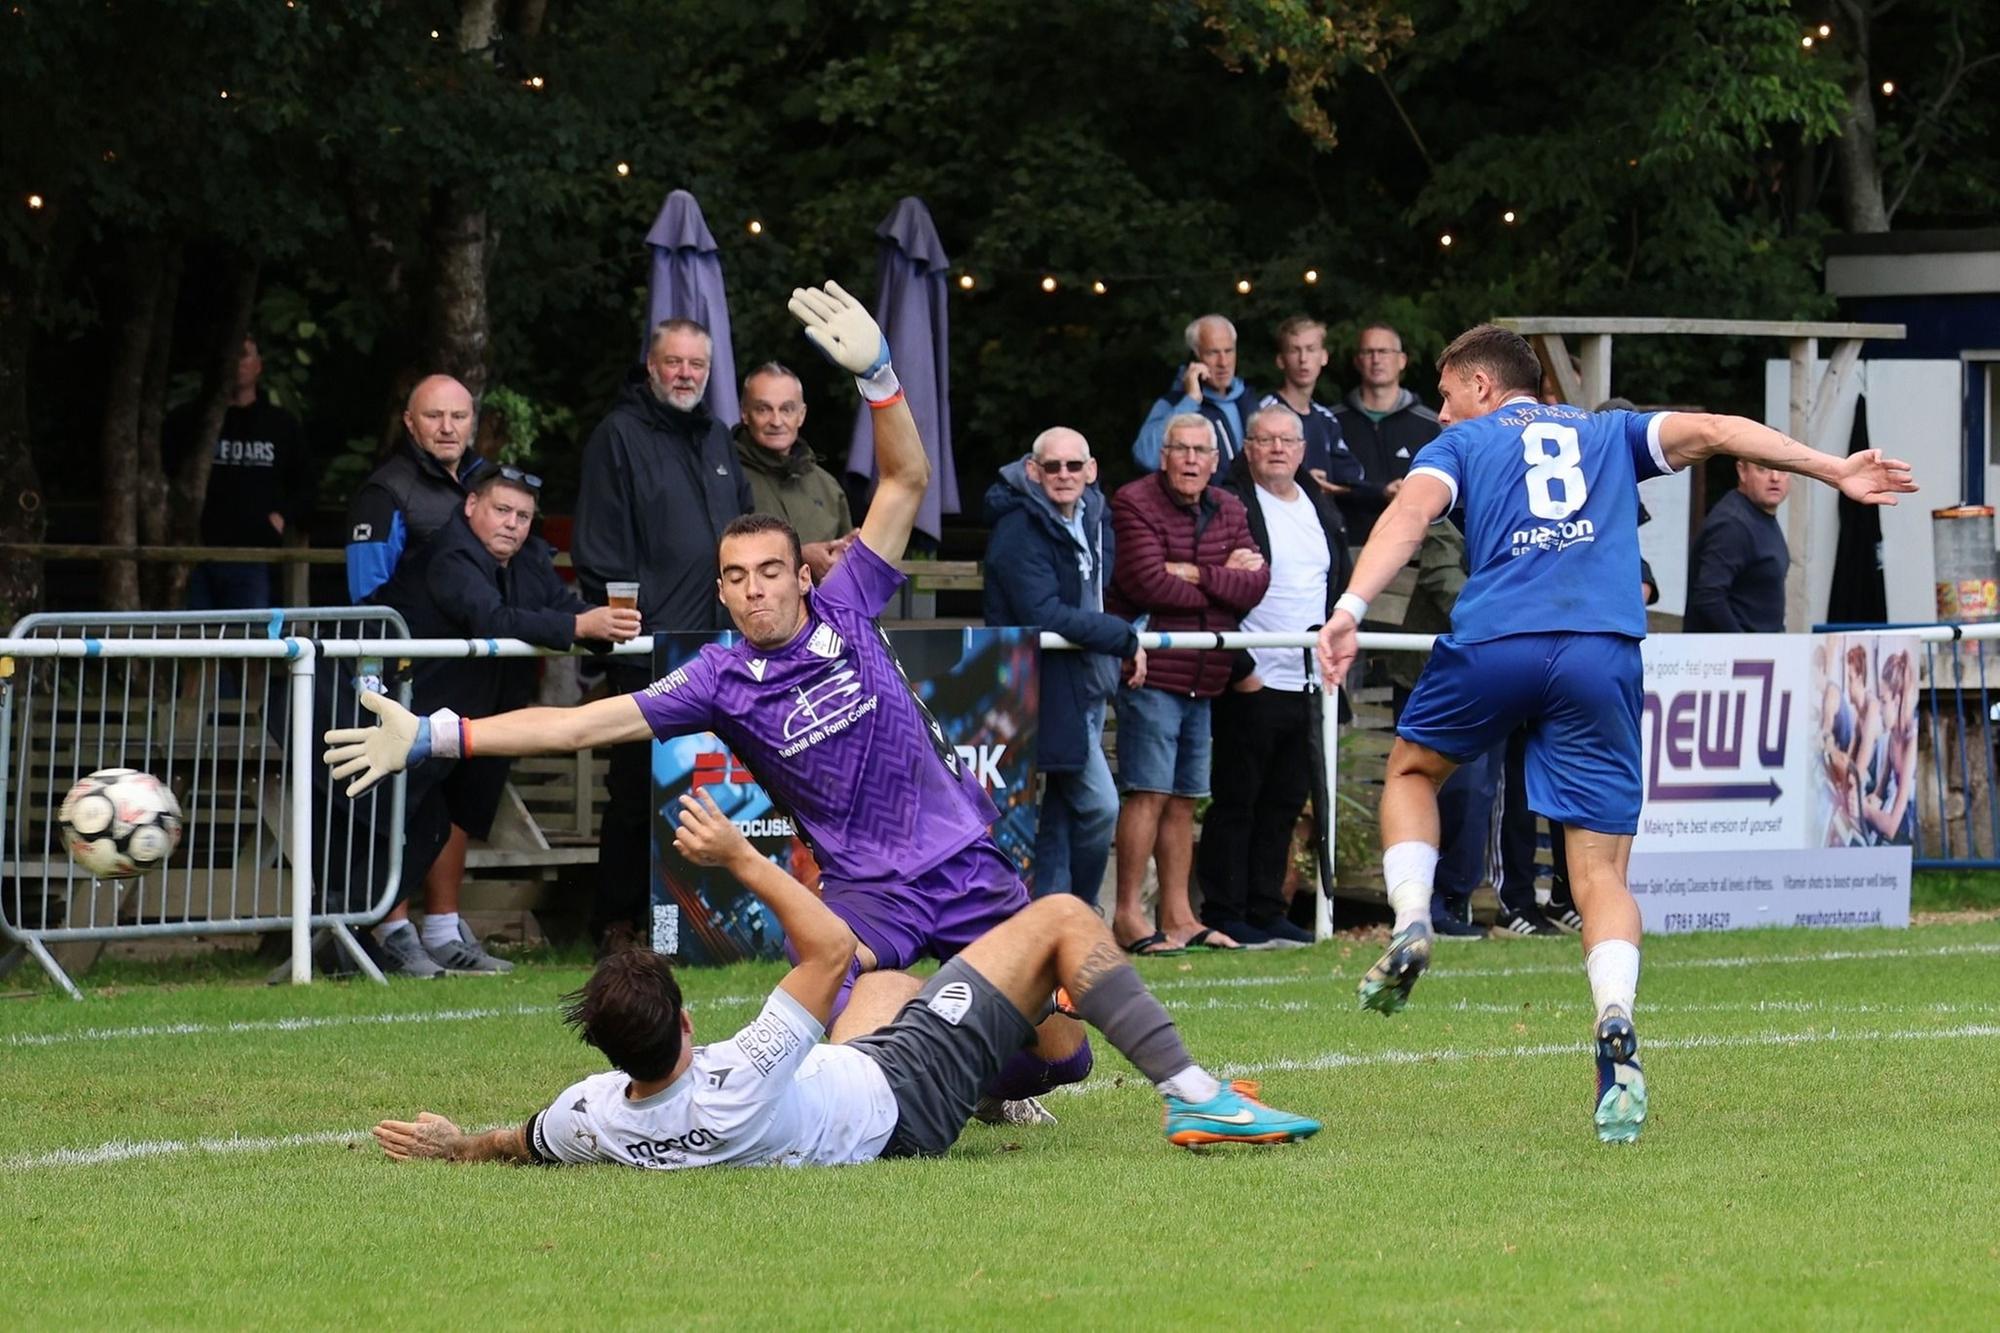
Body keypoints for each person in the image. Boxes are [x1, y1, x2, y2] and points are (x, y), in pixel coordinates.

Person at [329, 281, 1092, 1128]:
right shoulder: (716, 679)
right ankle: (893, 1071)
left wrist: (880, 375)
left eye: (770, 571)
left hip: (964, 860)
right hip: (868, 891)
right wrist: (436, 731)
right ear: (722, 595)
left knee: (1066, 1059)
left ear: (803, 575)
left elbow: (908, 476)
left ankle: (985, 1077)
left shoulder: (847, 603)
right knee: (841, 1038)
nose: (754, 589)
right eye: (735, 578)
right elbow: (579, 723)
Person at [1315, 322, 1915, 1144]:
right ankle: (1615, 1015)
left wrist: (1349, 610)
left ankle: (1414, 918)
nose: (1444, 414)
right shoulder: (1608, 431)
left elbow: (1407, 520)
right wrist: (1830, 467)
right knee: (1599, 868)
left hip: (1497, 639)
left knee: (1415, 774)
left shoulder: (1460, 447)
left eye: (1449, 395)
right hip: (1600, 650)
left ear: (1484, 388)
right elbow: (1716, 430)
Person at [370, 787, 1321, 1168]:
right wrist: (744, 857)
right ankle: (1193, 1094)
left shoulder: (596, 1118)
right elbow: (831, 950)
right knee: (1064, 918)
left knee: (902, 975)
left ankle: (1022, 1054)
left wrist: (462, 1144)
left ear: (613, 1055)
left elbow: (520, 1139)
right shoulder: (739, 1072)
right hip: (904, 1097)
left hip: (847, 1078)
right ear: (689, 1024)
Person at [365, 466, 643, 976]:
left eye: (523, 516)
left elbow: (560, 607)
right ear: (471, 506)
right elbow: (490, 618)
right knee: (403, 810)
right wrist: (579, 625)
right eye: (502, 510)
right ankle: (389, 931)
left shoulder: (531, 557)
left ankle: (443, 931)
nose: (513, 524)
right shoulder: (446, 555)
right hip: (407, 703)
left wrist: (604, 623)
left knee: (459, 811)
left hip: (479, 706)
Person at [571, 317, 753, 953]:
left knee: (709, 785)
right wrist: (630, 625)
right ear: (651, 367)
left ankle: (701, 925)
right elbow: (596, 547)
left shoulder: (718, 441)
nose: (685, 374)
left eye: (696, 365)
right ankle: (616, 923)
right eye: (674, 363)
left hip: (722, 646)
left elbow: (746, 532)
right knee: (634, 792)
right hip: (650, 650)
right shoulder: (617, 436)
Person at [1106, 413, 1270, 956]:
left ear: (1216, 462)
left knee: (1184, 800)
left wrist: (1193, 571)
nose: (1193, 461)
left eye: (1202, 451)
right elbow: (1143, 580)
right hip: (1153, 671)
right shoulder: (1133, 500)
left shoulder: (1230, 507)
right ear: (1163, 454)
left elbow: (1256, 586)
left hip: (1207, 674)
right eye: (1182, 450)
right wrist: (1221, 573)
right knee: (1147, 793)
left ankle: (1178, 915)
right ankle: (1129, 915)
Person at [1200, 405, 1351, 948]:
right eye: (1266, 440)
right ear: (1248, 447)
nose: (1278, 449)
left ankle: (1267, 909)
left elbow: (1338, 580)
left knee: (1285, 802)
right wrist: (1241, 668)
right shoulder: (1229, 501)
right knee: (1236, 798)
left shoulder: (1318, 504)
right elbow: (1215, 588)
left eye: (1288, 440)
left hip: (1310, 681)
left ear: (1303, 447)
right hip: (1252, 675)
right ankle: (1225, 911)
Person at [983, 427, 1144, 907]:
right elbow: (1045, 613)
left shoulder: (1095, 516)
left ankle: (1053, 919)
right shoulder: (1017, 527)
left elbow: (1092, 596)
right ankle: (1085, 909)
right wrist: (1124, 637)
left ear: (1091, 470)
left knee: (1059, 810)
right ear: (1033, 471)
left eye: (1075, 465)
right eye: (1052, 467)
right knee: (1099, 806)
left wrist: (1117, 644)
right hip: (1039, 687)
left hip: (1086, 682)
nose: (1064, 475)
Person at [162, 335, 315, 610]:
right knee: (194, 643)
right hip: (195, 553)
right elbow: (163, 476)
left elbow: (307, 487)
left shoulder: (280, 425)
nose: (236, 364)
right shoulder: (189, 421)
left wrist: (282, 517)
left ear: (258, 365)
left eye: (243, 355)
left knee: (251, 642)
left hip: (254, 556)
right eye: (229, 356)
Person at [346, 375, 486, 603]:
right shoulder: (383, 491)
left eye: (459, 416)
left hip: (488, 633)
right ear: (410, 422)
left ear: (472, 421)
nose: (447, 428)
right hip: (417, 636)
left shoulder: (490, 481)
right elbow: (367, 599)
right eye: (433, 416)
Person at [734, 361, 857, 580]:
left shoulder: (826, 486)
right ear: (745, 413)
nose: (776, 421)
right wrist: (798, 557)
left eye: (787, 409)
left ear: (801, 415)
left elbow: (847, 574)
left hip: (820, 612)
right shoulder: (726, 476)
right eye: (763, 409)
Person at [1332, 323, 1440, 542]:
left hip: (1415, 552)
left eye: (1384, 352)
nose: (1376, 359)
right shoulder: (1333, 422)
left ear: (1402, 360)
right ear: (1357, 361)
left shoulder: (1431, 424)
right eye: (1368, 352)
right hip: (1351, 548)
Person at [1259, 315, 1373, 506]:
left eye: (1311, 349)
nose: (1303, 359)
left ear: (1324, 357)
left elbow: (1352, 476)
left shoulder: (1326, 419)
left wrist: (1382, 491)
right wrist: (1303, 479)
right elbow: (1251, 472)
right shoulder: (1264, 414)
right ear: (1280, 360)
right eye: (1295, 350)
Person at [1132, 316, 1259, 471]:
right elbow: (1146, 457)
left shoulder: (1247, 399)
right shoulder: (1174, 403)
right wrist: (1190, 400)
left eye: (1229, 351)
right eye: (1213, 353)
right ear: (1195, 357)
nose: (1223, 363)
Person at [1684, 459, 1792, 632]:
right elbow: (1709, 597)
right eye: (1762, 468)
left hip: (1762, 650)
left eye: (1783, 468)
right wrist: (1743, 646)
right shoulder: (1732, 523)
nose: (1775, 477)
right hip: (1731, 655)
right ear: (1742, 471)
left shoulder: (1761, 515)